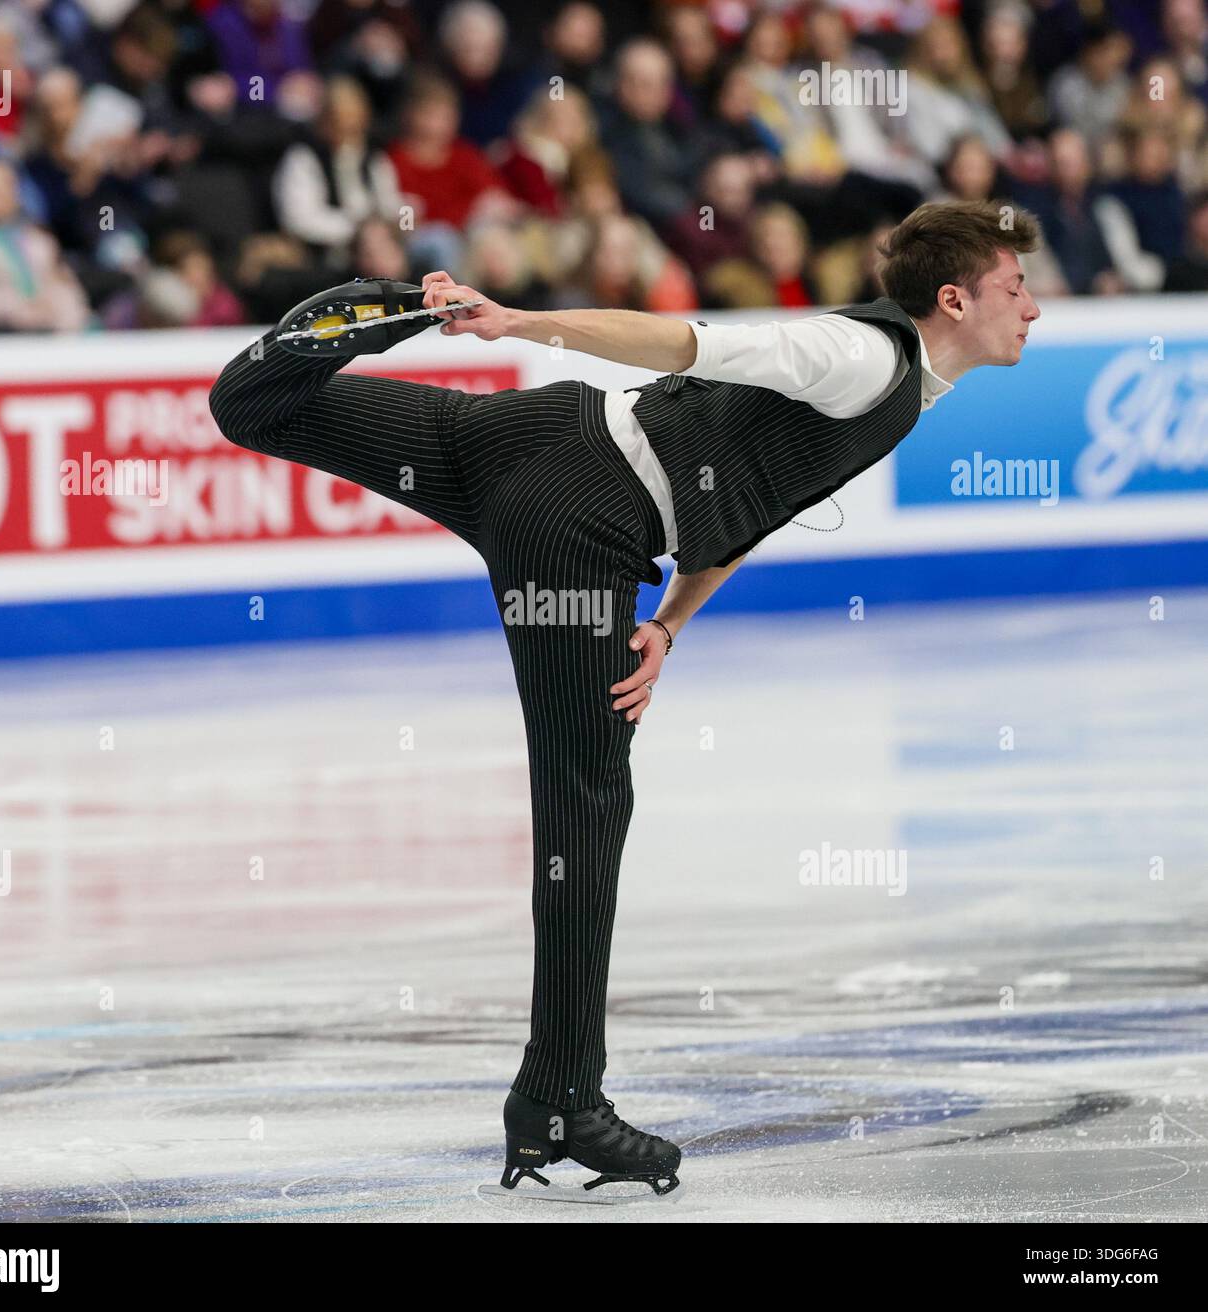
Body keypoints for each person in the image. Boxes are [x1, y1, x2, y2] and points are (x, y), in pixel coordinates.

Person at [207, 198, 1043, 1203]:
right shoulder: (857, 357)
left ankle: (383, 307)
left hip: (523, 437)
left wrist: (674, 620)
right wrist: (518, 322)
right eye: (1014, 287)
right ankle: (560, 1102)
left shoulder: (910, 385)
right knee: (587, 803)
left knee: (252, 406)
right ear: (954, 299)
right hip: (579, 519)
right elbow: (684, 342)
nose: (1032, 307)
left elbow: (762, 500)